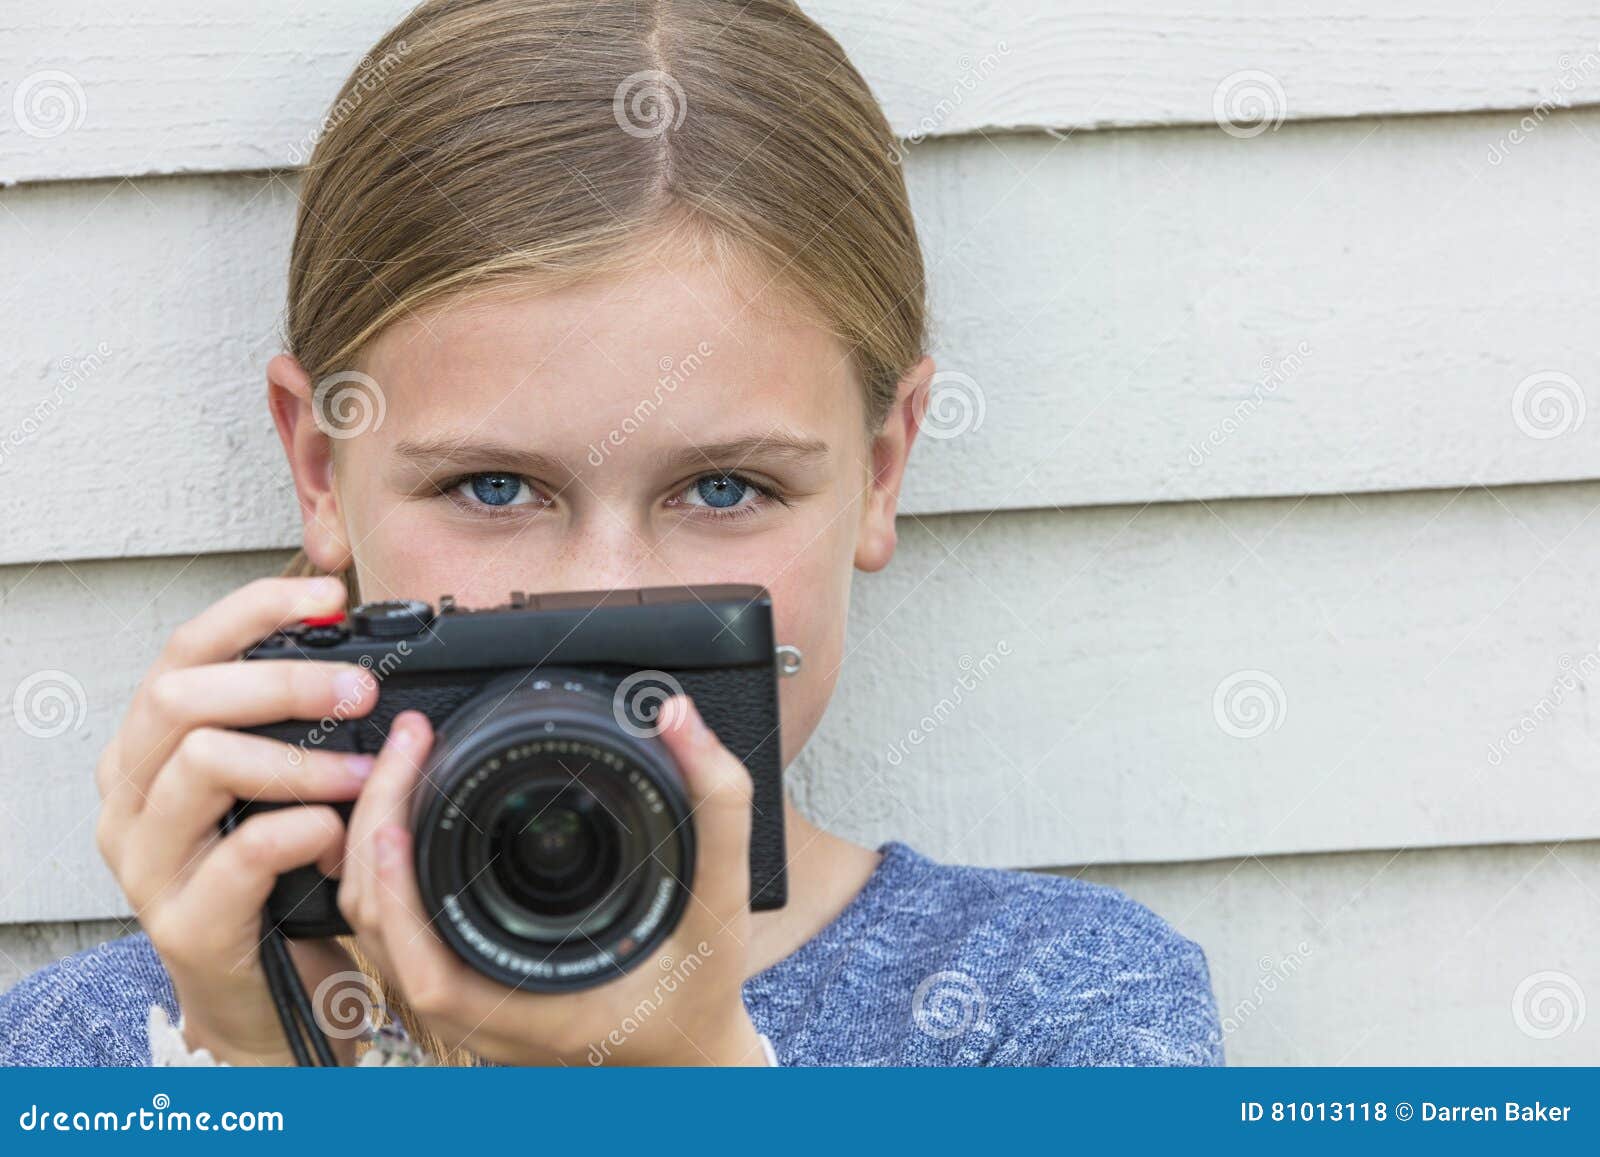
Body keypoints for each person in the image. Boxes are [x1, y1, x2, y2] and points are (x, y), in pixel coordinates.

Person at [0, 0, 1222, 1067]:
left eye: (726, 486)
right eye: (491, 488)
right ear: (323, 465)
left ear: (881, 468)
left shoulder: (1059, 1012)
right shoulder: (106, 1056)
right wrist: (262, 1068)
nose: (604, 596)